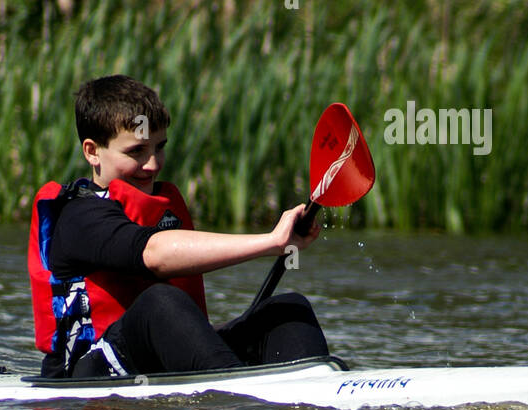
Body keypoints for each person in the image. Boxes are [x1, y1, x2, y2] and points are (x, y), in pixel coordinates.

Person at [28, 74, 330, 380]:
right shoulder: (81, 216)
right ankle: (240, 399)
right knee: (160, 302)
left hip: (154, 359)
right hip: (90, 372)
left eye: (159, 147)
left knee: (287, 309)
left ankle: (311, 391)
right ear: (92, 151)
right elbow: (154, 254)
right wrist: (271, 242)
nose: (153, 164)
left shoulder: (163, 204)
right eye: (136, 151)